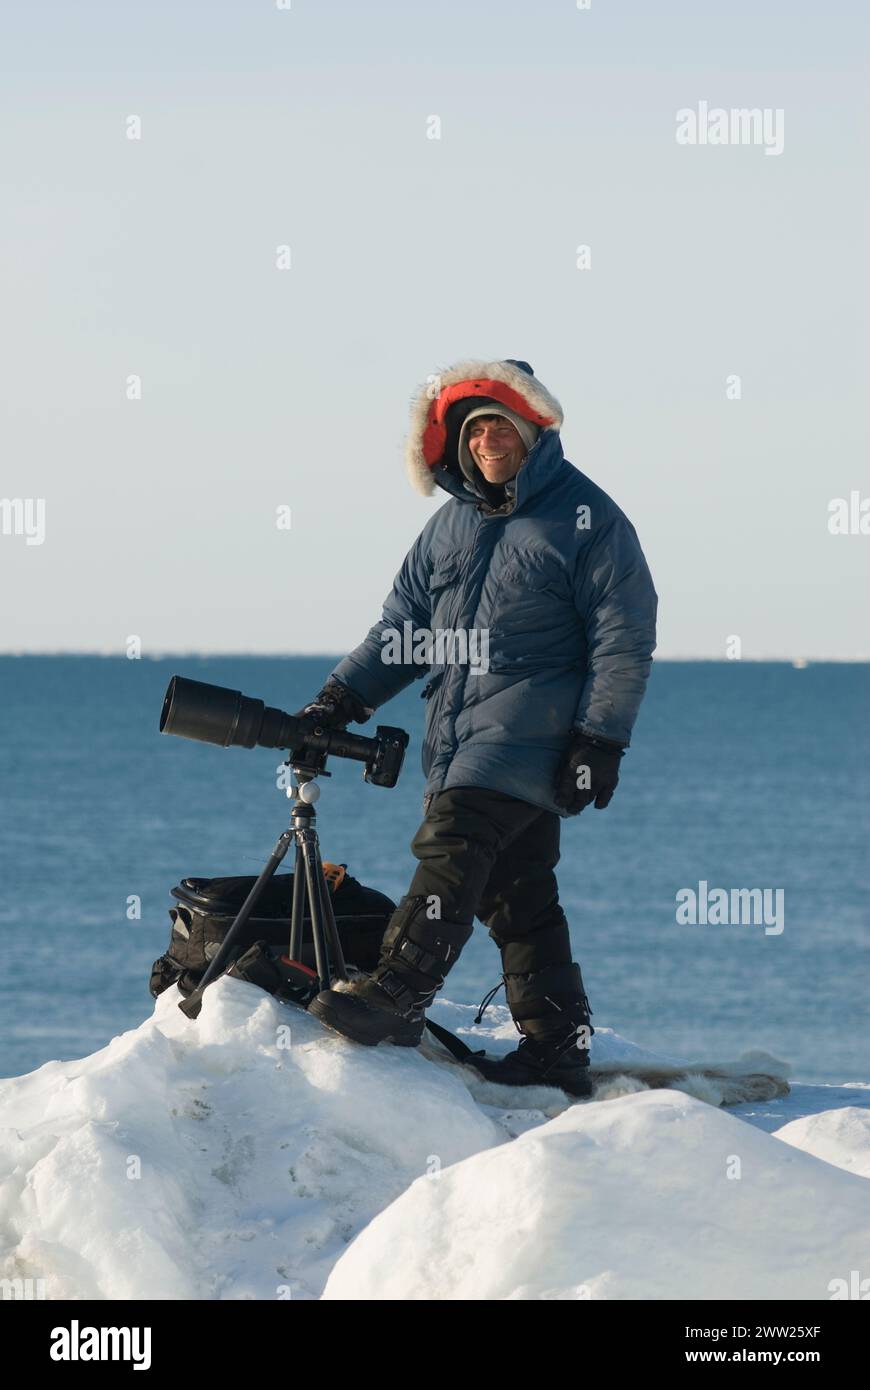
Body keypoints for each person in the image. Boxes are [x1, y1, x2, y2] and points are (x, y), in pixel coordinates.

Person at [300, 357, 658, 1097]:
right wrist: (339, 699)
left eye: (501, 424)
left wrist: (601, 741)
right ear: (458, 444)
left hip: (531, 733)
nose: (489, 439)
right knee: (518, 897)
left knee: (453, 846)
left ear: (533, 430)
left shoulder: (587, 518)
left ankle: (396, 992)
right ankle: (557, 1045)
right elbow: (403, 629)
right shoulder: (448, 527)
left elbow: (623, 637)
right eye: (475, 428)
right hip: (458, 737)